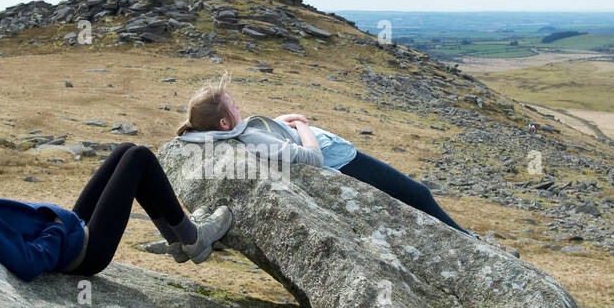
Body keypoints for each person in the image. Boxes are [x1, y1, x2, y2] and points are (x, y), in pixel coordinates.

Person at [0, 142, 233, 279]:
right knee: (138, 158)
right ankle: (193, 240)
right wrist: (57, 224)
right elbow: (27, 263)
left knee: (124, 151)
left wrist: (57, 222)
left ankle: (178, 239)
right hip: (84, 250)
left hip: (72, 234)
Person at [175, 73, 475, 236]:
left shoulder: (230, 132)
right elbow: (311, 158)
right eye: (234, 106)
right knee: (418, 194)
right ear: (224, 122)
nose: (239, 106)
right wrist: (303, 125)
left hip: (340, 155)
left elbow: (264, 138)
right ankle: (465, 238)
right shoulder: (248, 136)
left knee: (413, 196)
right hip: (342, 161)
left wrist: (280, 123)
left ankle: (462, 235)